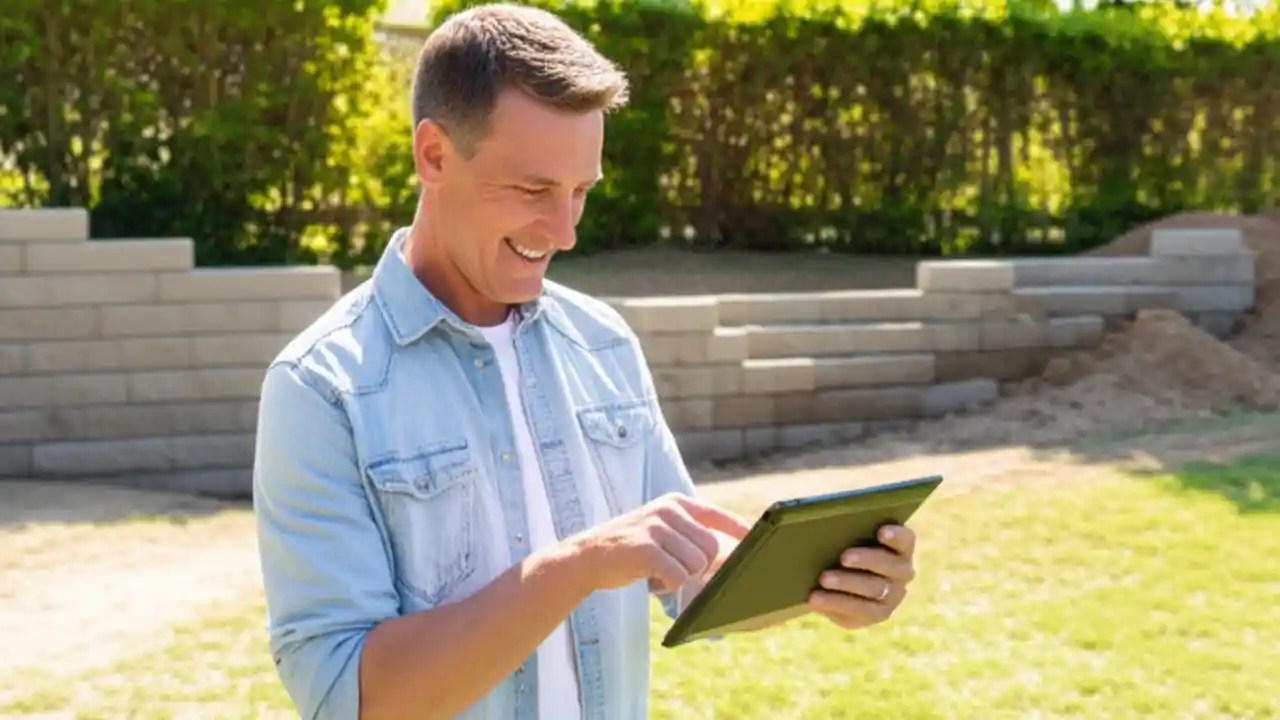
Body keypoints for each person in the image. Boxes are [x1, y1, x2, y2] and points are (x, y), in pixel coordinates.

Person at [251, 4, 919, 719]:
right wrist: (576, 567)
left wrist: (821, 580)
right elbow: (356, 697)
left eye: (581, 192)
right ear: (434, 155)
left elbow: (688, 577)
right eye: (535, 190)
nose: (564, 231)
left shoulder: (602, 343)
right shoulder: (321, 389)